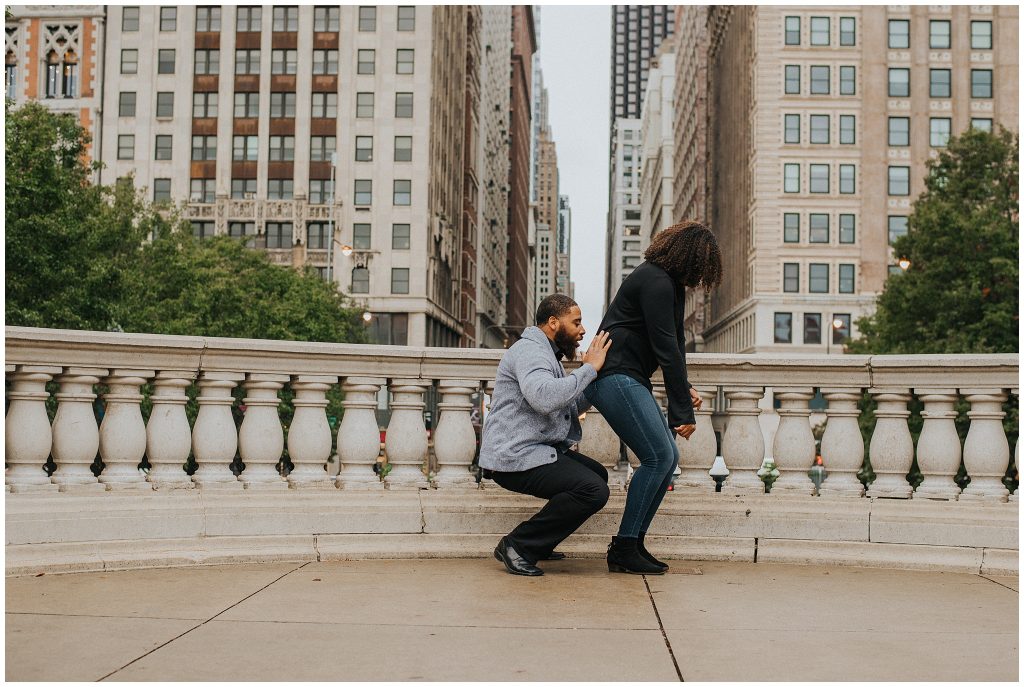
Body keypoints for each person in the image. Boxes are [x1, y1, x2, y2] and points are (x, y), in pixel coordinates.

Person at [585, 220, 723, 574]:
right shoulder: (656, 280)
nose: (702, 275)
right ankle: (625, 546)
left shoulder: (668, 284)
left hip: (629, 377)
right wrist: (682, 413)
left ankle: (632, 542)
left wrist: (684, 387)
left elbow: (674, 345)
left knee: (666, 456)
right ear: (688, 257)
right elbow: (666, 347)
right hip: (614, 376)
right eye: (702, 265)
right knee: (659, 457)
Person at [479, 294, 613, 576]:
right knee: (593, 490)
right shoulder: (531, 351)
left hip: (532, 449)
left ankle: (541, 542)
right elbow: (543, 398)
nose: (583, 329)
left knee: (597, 475)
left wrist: (595, 374)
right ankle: (518, 546)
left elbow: (568, 405)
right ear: (553, 322)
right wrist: (588, 369)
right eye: (576, 322)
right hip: (513, 456)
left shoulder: (548, 354)